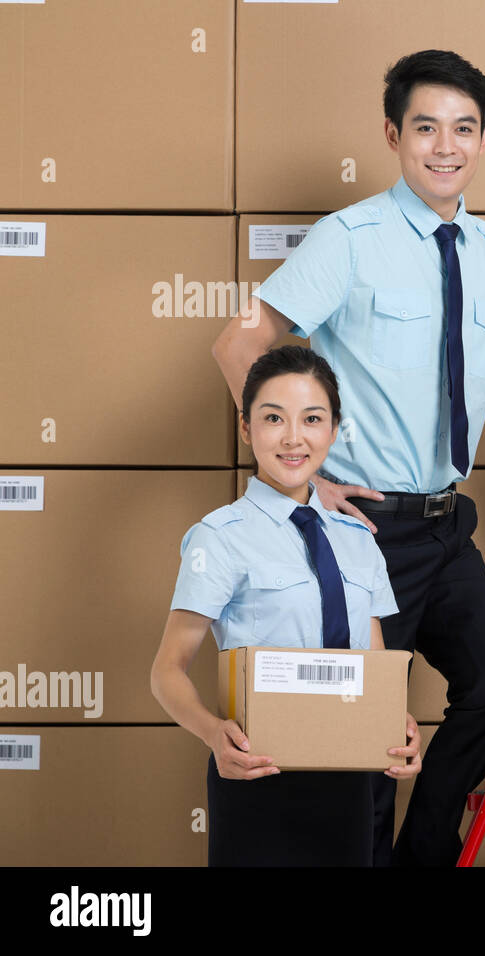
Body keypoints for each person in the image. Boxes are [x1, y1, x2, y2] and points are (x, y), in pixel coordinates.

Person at [211, 49, 485, 866]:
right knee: (366, 731)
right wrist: (311, 484)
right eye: (425, 128)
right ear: (393, 135)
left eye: (463, 128)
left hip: (447, 526)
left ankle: (422, 855)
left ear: (484, 141)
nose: (444, 146)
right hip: (363, 529)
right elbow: (240, 343)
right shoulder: (349, 240)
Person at [151, 346, 422, 866]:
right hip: (256, 773)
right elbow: (166, 671)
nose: (293, 437)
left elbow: (375, 668)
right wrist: (214, 735)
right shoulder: (220, 537)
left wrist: (399, 725)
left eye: (312, 419)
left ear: (334, 430)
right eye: (273, 418)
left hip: (348, 780)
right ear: (247, 429)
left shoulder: (359, 540)